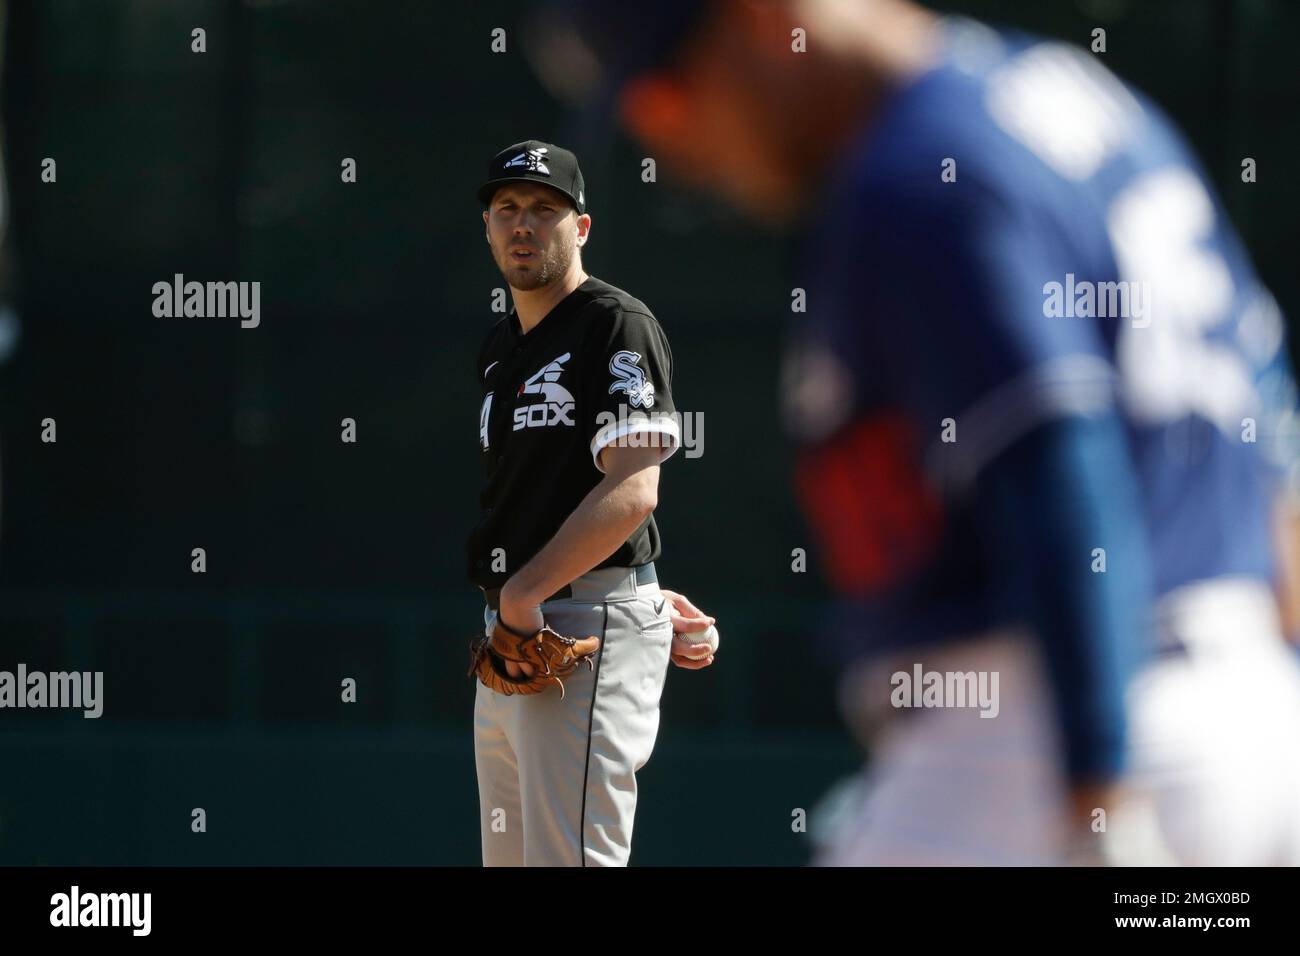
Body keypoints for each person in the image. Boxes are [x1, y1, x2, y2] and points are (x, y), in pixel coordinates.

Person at [524, 0, 1300, 864]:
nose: (673, 150)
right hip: (1257, 725)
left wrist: (1098, 796)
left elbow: (1056, 461)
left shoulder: (919, 174)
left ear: (759, 21)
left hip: (1048, 737)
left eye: (666, 96)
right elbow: (1272, 456)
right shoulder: (1077, 102)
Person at [467, 139, 717, 867]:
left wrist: (609, 593)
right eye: (506, 208)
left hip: (573, 628)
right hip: (520, 627)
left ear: (580, 228)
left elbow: (635, 488)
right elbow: (543, 493)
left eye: (545, 209)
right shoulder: (499, 345)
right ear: (486, 226)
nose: (523, 224)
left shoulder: (613, 324)